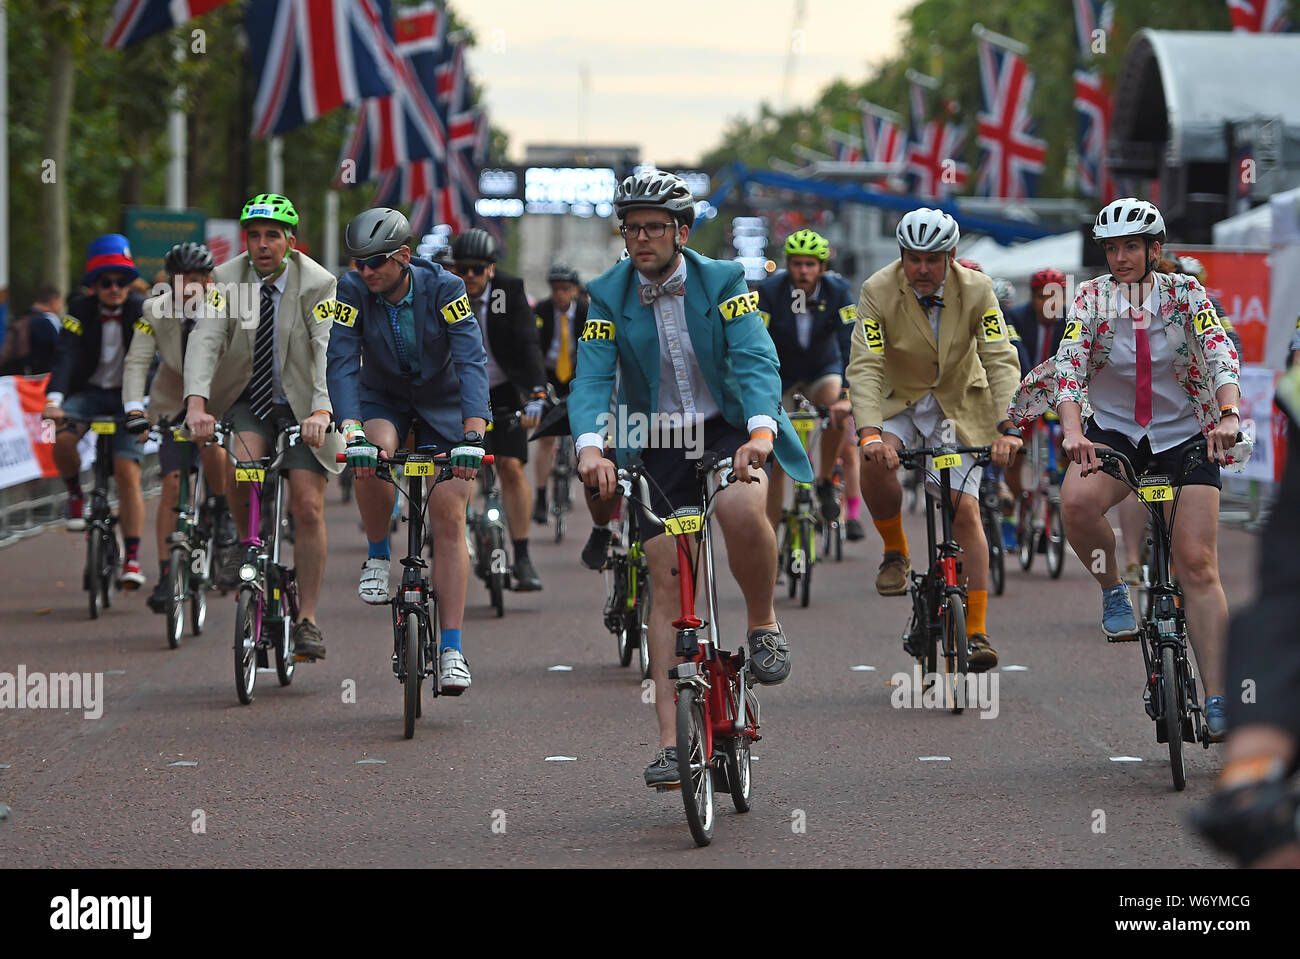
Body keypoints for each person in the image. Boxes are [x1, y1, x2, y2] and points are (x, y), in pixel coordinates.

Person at [573, 170, 813, 787]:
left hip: (730, 426)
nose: (642, 238)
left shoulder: (725, 280)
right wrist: (592, 447)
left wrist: (761, 431)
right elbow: (594, 377)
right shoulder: (606, 294)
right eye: (632, 228)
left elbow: (755, 357)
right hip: (658, 439)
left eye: (655, 227)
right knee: (666, 574)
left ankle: (764, 624)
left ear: (681, 231)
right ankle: (671, 746)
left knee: (738, 511)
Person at [1007, 197, 1245, 741]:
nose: (1120, 258)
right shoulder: (1091, 297)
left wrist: (1228, 415)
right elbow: (1069, 367)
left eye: (1131, 247)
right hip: (1115, 430)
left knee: (1197, 564)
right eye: (1111, 248)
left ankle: (1218, 695)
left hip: (1188, 430)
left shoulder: (1186, 294)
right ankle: (1114, 588)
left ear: (1154, 251)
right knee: (1075, 502)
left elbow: (1218, 355)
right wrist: (1070, 431)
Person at [846, 208, 1024, 671]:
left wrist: (1010, 425)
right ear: (901, 256)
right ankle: (895, 551)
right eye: (912, 258)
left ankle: (979, 630)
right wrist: (868, 434)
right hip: (898, 402)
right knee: (875, 462)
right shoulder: (876, 290)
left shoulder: (979, 289)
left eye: (931, 259)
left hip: (958, 404)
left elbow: (1000, 358)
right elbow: (866, 364)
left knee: (963, 508)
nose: (921, 269)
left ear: (951, 255)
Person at [327, 208, 491, 694]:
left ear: (403, 255)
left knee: (448, 516)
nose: (366, 271)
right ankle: (378, 554)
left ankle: (452, 649)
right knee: (373, 455)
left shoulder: (446, 288)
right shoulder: (351, 290)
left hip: (443, 401)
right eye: (358, 262)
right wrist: (351, 430)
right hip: (384, 398)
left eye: (375, 261)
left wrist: (473, 435)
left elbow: (470, 357)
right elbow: (340, 359)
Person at [183, 193, 345, 662]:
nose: (262, 245)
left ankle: (308, 618)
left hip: (304, 406)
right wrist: (197, 404)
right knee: (242, 469)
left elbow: (326, 349)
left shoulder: (319, 282)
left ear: (290, 242)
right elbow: (207, 338)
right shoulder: (227, 279)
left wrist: (321, 412)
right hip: (251, 402)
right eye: (253, 236)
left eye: (272, 235)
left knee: (307, 506)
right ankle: (248, 539)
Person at [123, 242, 237, 613]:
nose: (187, 286)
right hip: (171, 403)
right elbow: (137, 361)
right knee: (172, 485)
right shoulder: (152, 309)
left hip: (216, 398)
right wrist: (133, 410)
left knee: (212, 444)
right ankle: (165, 574)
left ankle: (221, 508)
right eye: (179, 278)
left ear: (208, 280)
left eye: (195, 278)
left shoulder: (228, 304)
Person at [42, 235, 149, 589]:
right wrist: (54, 401)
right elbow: (66, 356)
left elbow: (155, 360)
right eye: (106, 281)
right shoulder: (78, 311)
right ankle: (75, 493)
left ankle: (132, 558)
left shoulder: (141, 310)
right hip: (87, 395)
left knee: (127, 472)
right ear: (94, 285)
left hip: (128, 399)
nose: (115, 288)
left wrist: (148, 406)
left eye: (122, 280)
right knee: (59, 437)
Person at [448, 228, 547, 591]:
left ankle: (521, 557)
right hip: (456, 392)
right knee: (460, 471)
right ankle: (454, 538)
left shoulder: (510, 290)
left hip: (502, 390)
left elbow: (527, 342)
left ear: (491, 269)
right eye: (462, 269)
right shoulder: (444, 289)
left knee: (511, 467)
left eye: (477, 269)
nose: (469, 276)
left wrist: (536, 392)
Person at [756, 229, 855, 532]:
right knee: (773, 456)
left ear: (822, 268)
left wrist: (846, 395)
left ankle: (824, 480)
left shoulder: (838, 291)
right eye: (797, 264)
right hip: (782, 374)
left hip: (820, 369)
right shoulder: (770, 292)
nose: (802, 271)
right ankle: (770, 534)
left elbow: (848, 340)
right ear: (788, 265)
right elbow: (758, 342)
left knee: (836, 406)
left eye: (810, 265)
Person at [531, 262, 587, 527]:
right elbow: (531, 351)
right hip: (549, 375)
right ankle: (541, 496)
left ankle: (580, 464)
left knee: (582, 427)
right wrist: (536, 387)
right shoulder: (540, 312)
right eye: (555, 289)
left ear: (574, 290)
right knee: (546, 439)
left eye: (565, 289)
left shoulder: (587, 312)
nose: (560, 295)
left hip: (579, 374)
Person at [0, 285, 63, 376]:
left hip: (19, 376)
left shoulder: (23, 319)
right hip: (40, 379)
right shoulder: (48, 321)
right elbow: (59, 350)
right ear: (53, 301)